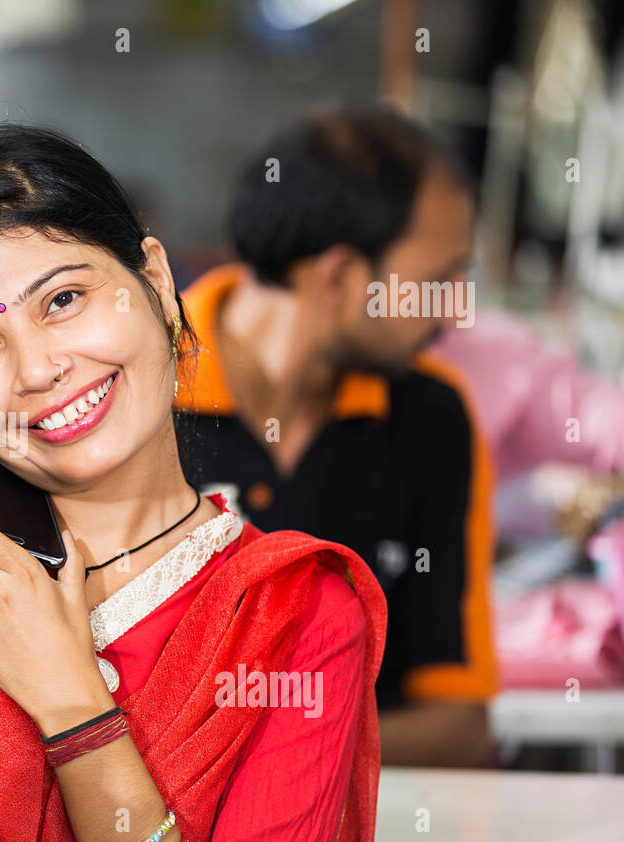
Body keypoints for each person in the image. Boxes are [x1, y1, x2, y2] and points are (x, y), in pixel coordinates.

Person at [0, 123, 387, 842]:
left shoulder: (296, 615)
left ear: (157, 281)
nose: (37, 370)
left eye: (64, 299)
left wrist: (70, 699)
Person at [176, 103, 497, 768]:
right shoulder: (131, 389)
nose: (454, 312)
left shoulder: (432, 416)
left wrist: (253, 758)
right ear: (341, 276)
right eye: (438, 281)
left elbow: (458, 725)